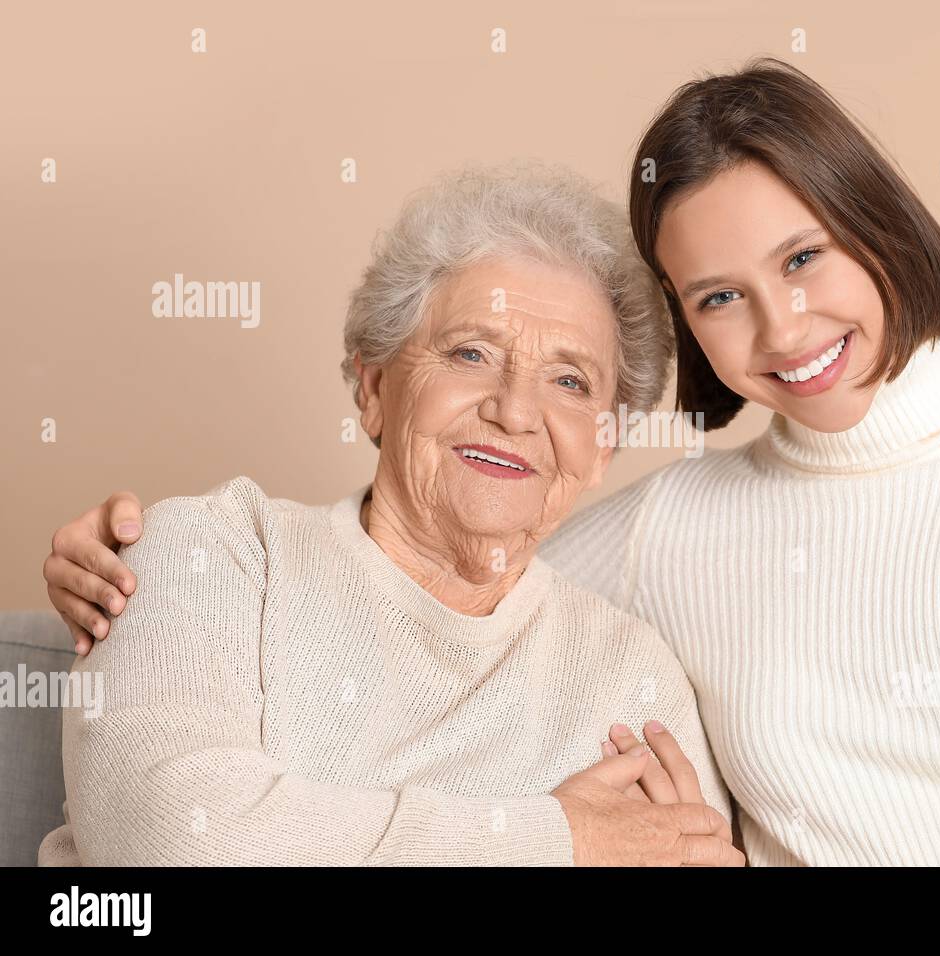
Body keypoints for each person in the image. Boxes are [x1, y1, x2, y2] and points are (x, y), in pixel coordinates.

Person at [44, 59, 940, 866]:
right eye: (719, 296)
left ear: (876, 219)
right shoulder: (663, 530)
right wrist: (139, 568)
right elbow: (462, 561)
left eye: (805, 255)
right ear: (370, 378)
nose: (785, 326)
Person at [37, 162, 740, 867]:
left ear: (601, 448)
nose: (515, 410)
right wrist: (562, 839)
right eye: (471, 353)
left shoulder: (628, 675)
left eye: (569, 381)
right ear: (374, 388)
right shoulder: (211, 552)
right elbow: (175, 841)